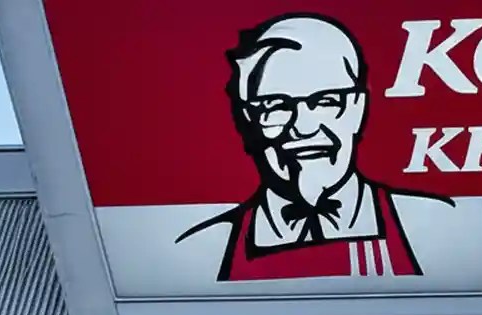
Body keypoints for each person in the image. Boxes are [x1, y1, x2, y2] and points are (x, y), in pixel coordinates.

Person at [178, 13, 453, 282]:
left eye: (326, 101)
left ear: (358, 109)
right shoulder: (203, 249)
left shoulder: (429, 226)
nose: (304, 127)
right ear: (249, 120)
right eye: (276, 106)